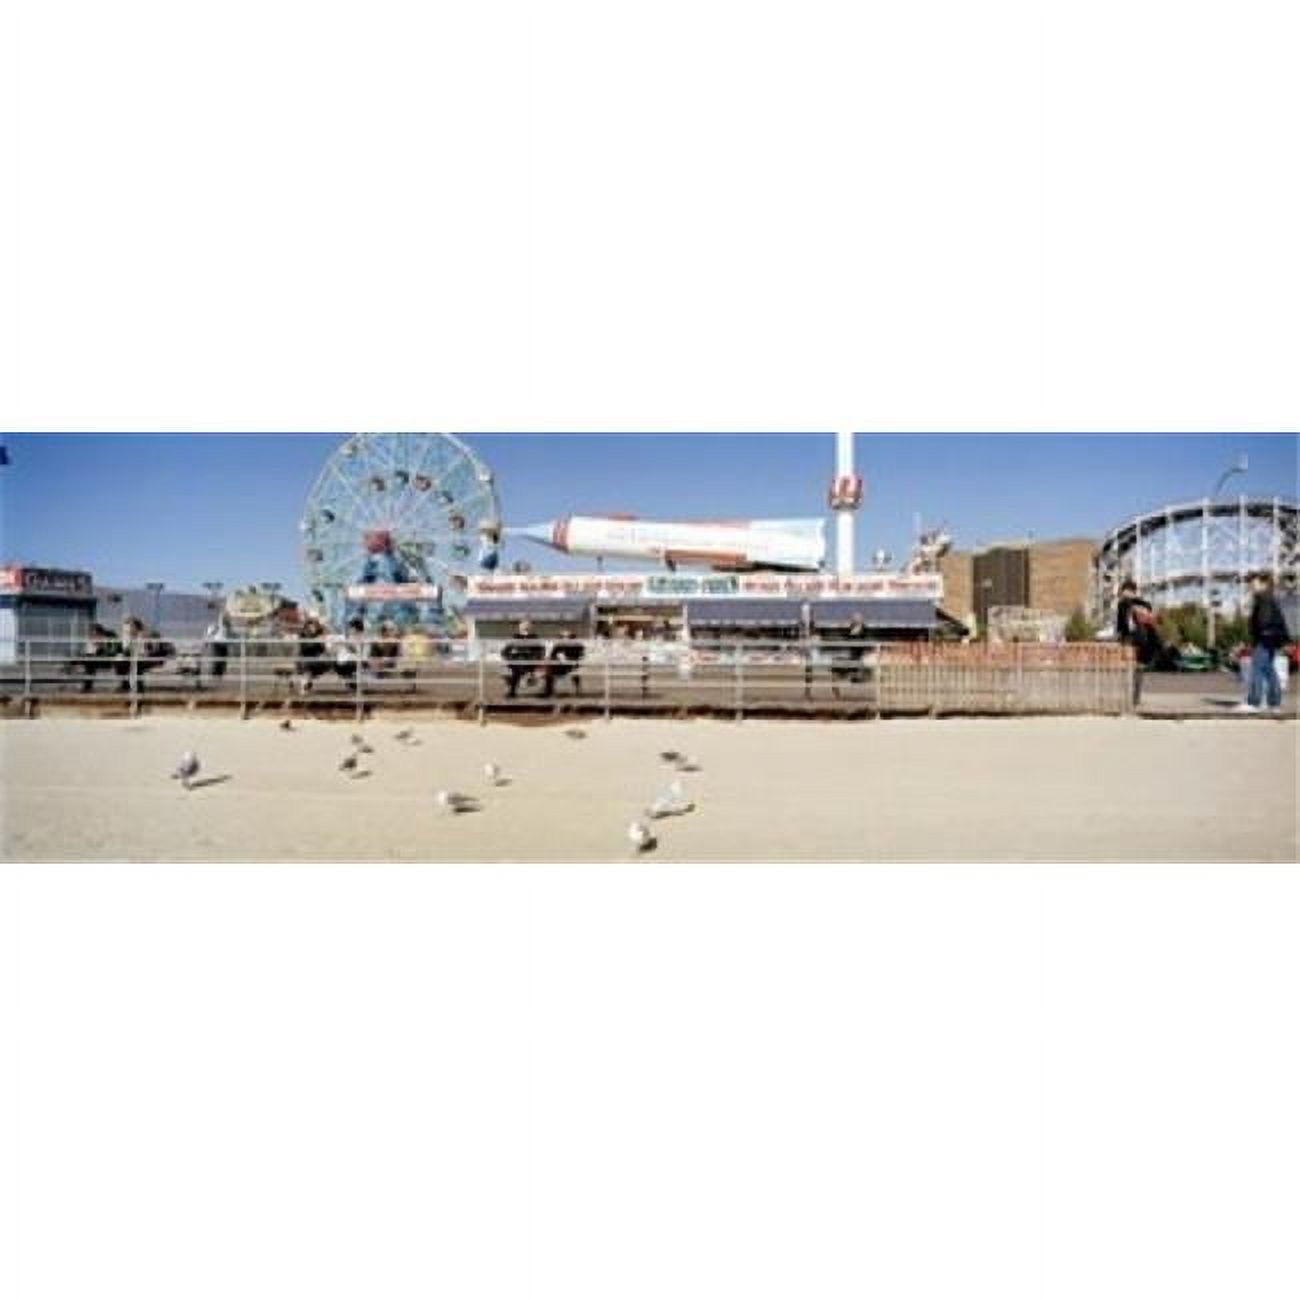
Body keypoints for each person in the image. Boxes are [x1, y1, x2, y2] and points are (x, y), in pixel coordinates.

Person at [1237, 572, 1291, 713]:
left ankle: (1254, 702)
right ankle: (1274, 703)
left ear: (1263, 584)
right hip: (1270, 638)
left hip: (1265, 638)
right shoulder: (1267, 597)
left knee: (1257, 668)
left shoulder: (1264, 598)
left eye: (1253, 583)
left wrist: (1260, 634)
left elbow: (1263, 620)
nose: (1251, 586)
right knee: (1268, 669)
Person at [501, 619, 545, 698]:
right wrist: (509, 657)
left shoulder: (535, 637)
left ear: (531, 627)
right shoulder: (515, 637)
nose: (525, 627)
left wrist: (536, 658)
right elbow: (505, 651)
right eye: (523, 626)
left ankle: (512, 691)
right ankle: (513, 691)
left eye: (527, 626)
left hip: (530, 662)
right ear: (519, 627)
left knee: (516, 670)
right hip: (517, 661)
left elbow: (541, 651)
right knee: (514, 669)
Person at [542, 629, 585, 697]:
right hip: (559, 666)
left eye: (568, 636)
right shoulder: (558, 645)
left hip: (572, 665)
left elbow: (580, 657)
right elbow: (552, 655)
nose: (565, 638)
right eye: (563, 636)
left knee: (575, 671)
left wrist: (567, 658)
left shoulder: (578, 646)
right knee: (549, 669)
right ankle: (548, 690)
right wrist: (559, 657)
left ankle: (578, 691)